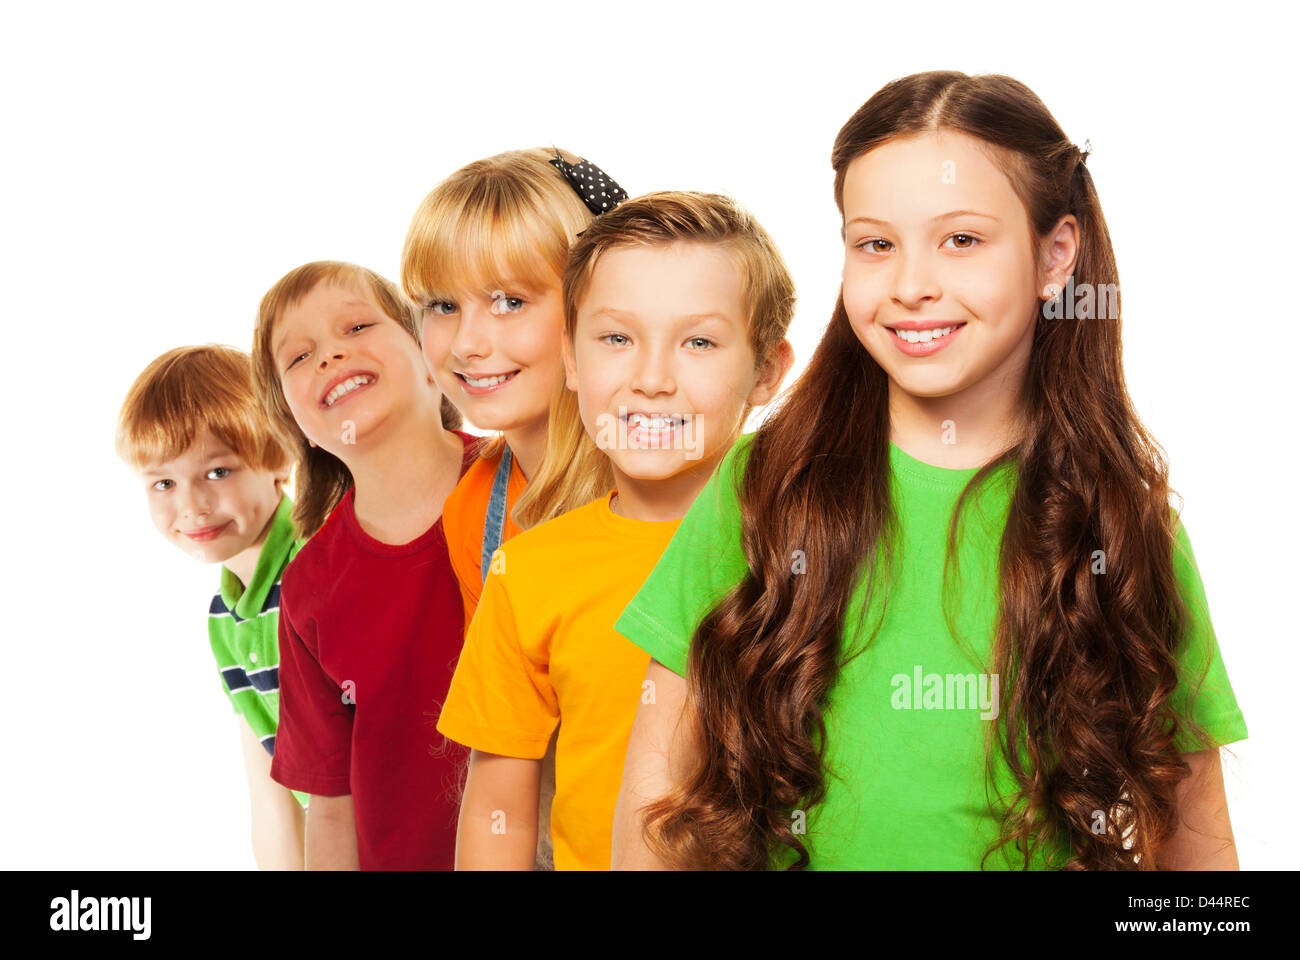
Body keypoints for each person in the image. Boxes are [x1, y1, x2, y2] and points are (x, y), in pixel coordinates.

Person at [612, 71, 1247, 870]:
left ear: (1056, 256)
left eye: (962, 241)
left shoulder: (1119, 521)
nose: (911, 286)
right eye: (876, 244)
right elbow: (657, 782)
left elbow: (1195, 827)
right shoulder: (765, 485)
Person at [437, 191, 796, 869]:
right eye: (616, 339)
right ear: (571, 361)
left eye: (698, 342)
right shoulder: (530, 571)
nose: (652, 379)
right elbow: (499, 812)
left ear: (767, 371)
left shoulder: (813, 542)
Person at [401, 147, 628, 867]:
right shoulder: (475, 509)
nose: (467, 343)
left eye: (509, 301)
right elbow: (509, 743)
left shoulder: (685, 481)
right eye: (442, 305)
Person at [251, 260, 472, 869]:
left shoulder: (534, 482)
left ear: (430, 351)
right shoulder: (307, 590)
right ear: (295, 421)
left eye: (355, 328)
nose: (329, 356)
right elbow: (330, 807)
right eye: (298, 357)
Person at [116, 344, 307, 869]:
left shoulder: (315, 572)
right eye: (164, 483)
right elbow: (273, 791)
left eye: (218, 472)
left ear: (280, 456)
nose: (192, 506)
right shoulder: (227, 618)